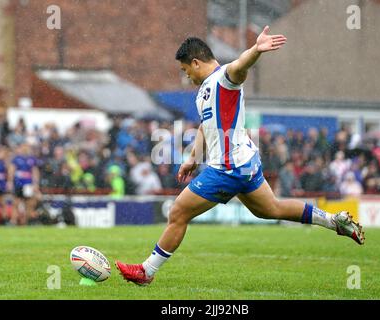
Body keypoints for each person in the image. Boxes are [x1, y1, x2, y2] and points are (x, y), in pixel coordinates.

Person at [116, 26, 365, 286]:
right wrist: (193, 158)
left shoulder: (224, 78)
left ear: (196, 62)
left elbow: (239, 67)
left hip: (229, 167)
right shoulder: (204, 92)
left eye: (185, 69)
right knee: (271, 209)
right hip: (243, 162)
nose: (185, 75)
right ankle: (334, 222)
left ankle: (146, 272)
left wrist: (256, 50)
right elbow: (205, 126)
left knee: (178, 212)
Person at [8, 143, 41, 225]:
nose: (25, 149)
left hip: (28, 185)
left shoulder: (32, 159)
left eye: (26, 147)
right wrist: (10, 181)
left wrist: (36, 183)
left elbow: (35, 172)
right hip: (18, 184)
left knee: (28, 203)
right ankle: (14, 221)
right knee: (16, 202)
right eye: (23, 147)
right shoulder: (16, 159)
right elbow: (11, 170)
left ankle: (25, 221)